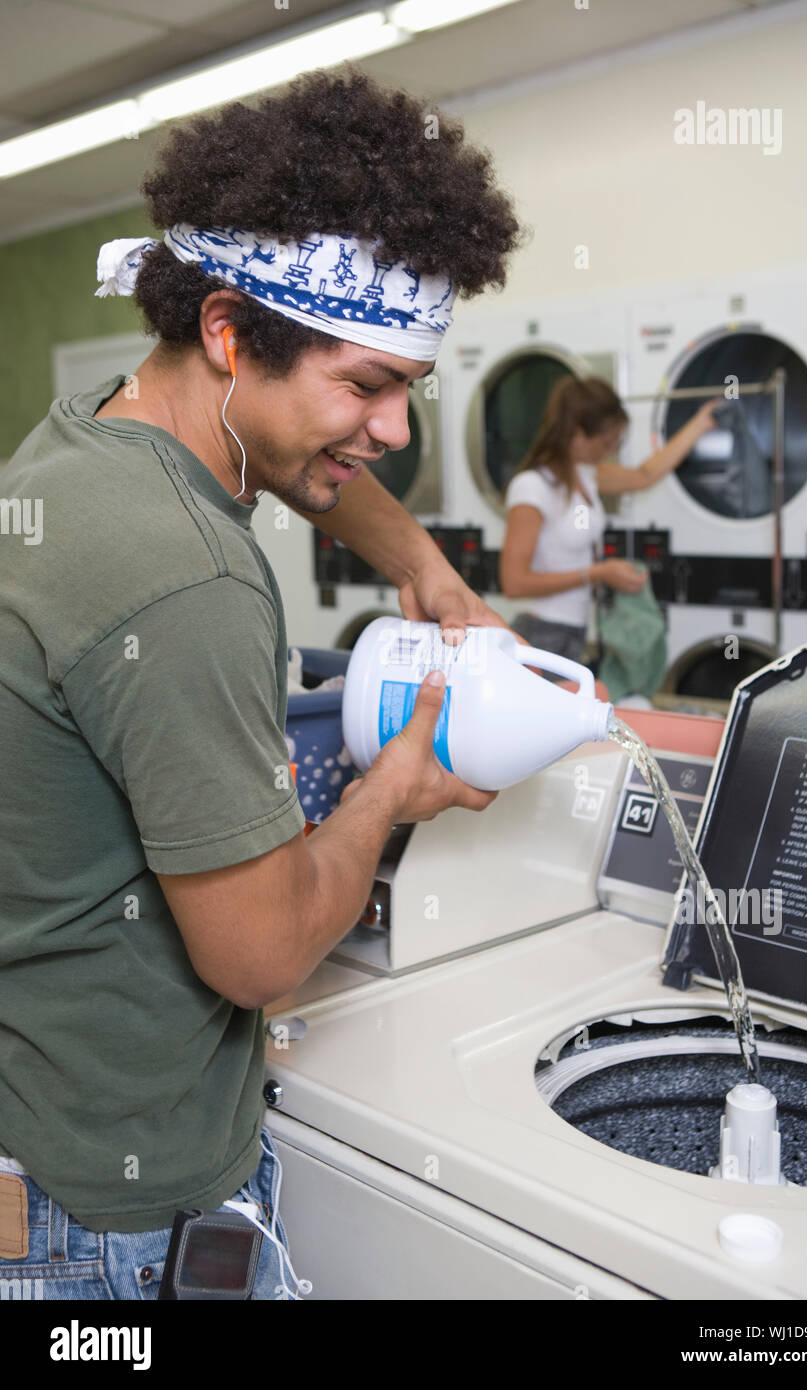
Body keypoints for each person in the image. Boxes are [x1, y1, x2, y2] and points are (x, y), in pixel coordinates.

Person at [0, 68, 523, 1299]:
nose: (394, 427)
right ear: (230, 331)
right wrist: (388, 790)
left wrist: (418, 559)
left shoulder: (93, 438)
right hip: (115, 1231)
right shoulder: (185, 580)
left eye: (409, 384)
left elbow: (301, 459)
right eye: (366, 385)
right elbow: (265, 958)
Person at [499, 375, 721, 679]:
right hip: (540, 634)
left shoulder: (585, 476)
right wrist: (597, 573)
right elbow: (514, 583)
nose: (612, 449)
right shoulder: (533, 487)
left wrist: (701, 423)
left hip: (573, 633)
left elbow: (645, 475)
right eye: (607, 441)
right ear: (577, 435)